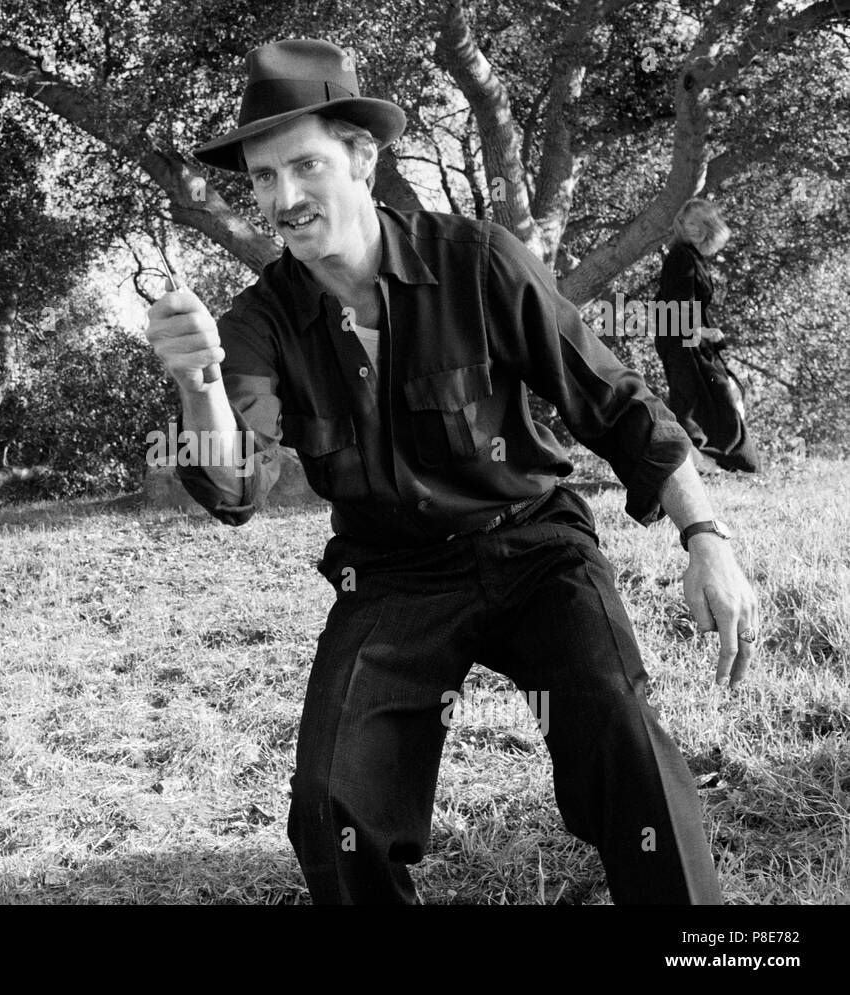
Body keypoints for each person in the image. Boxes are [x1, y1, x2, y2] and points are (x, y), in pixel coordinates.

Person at [145, 38, 760, 905]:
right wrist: (200, 383)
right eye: (260, 178)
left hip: (536, 547)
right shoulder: (260, 321)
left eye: (304, 166)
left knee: (629, 752)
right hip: (392, 574)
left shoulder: (479, 259)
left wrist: (707, 535)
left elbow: (614, 400)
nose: (282, 199)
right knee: (333, 807)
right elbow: (239, 486)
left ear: (363, 157)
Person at [653, 199, 760, 473]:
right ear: (681, 226)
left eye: (701, 224)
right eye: (689, 223)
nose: (695, 229)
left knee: (717, 395)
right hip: (681, 340)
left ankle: (709, 462)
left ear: (710, 227)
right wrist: (699, 332)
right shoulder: (681, 256)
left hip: (689, 338)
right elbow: (677, 303)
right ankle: (696, 463)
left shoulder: (692, 256)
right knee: (696, 400)